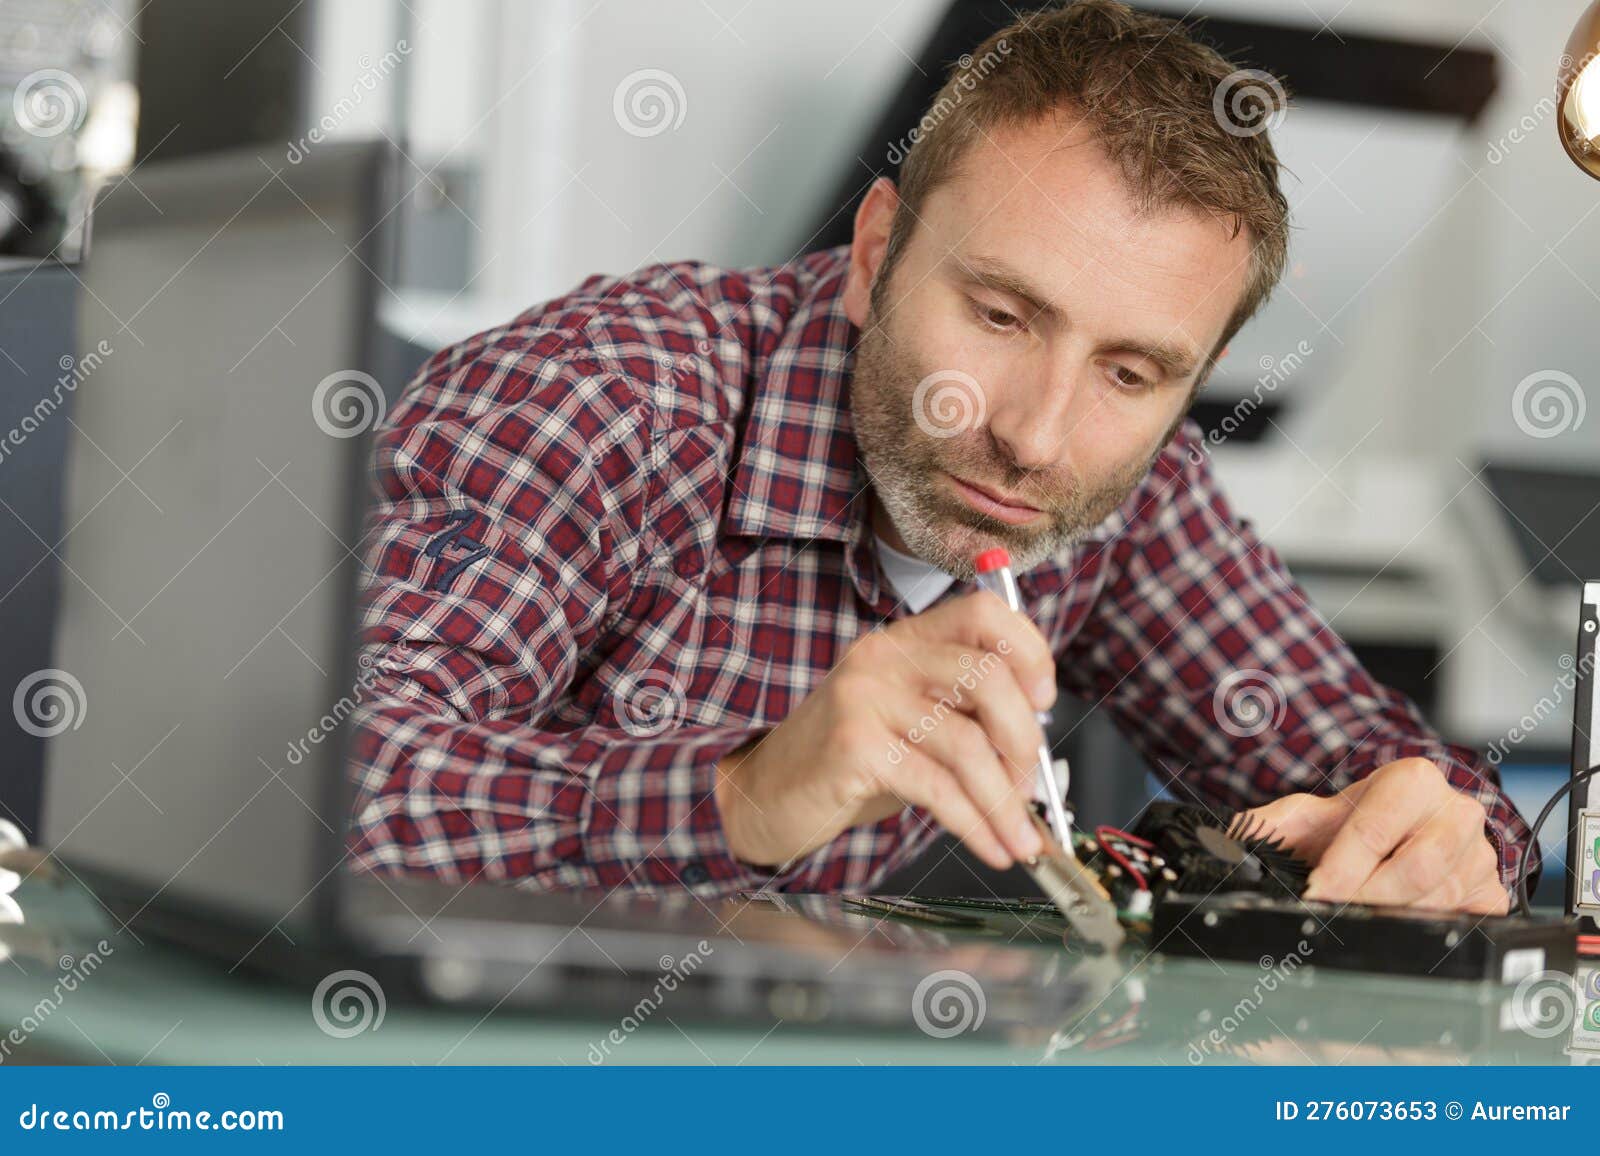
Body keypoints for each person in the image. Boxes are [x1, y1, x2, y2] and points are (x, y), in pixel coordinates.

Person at [347, 0, 1536, 914]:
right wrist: (743, 793)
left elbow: (1366, 755)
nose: (1033, 435)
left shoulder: (1127, 484)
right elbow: (328, 790)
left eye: (1131, 371)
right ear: (876, 253)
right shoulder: (604, 399)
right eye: (1002, 316)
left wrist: (1448, 835)